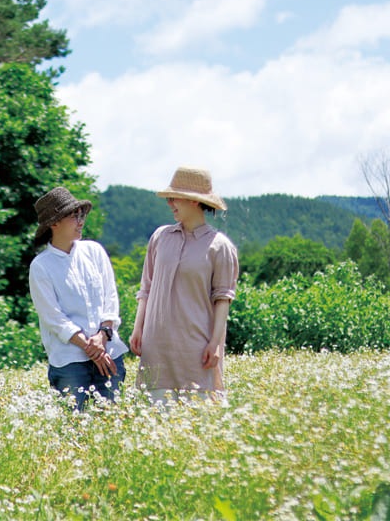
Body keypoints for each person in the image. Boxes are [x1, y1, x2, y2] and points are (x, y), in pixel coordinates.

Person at [128, 167, 239, 404]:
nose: (169, 203)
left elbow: (223, 299)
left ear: (195, 201)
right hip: (156, 349)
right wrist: (138, 329)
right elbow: (146, 287)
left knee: (198, 426)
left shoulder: (220, 247)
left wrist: (215, 344)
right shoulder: (160, 237)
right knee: (154, 428)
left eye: (173, 197)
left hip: (196, 351)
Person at [28, 187, 128, 411]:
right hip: (69, 361)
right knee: (73, 429)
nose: (81, 221)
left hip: (109, 352)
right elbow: (53, 318)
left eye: (81, 215)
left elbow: (110, 298)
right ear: (54, 223)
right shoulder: (41, 266)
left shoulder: (95, 251)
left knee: (112, 424)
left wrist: (103, 336)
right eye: (74, 215)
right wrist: (90, 347)